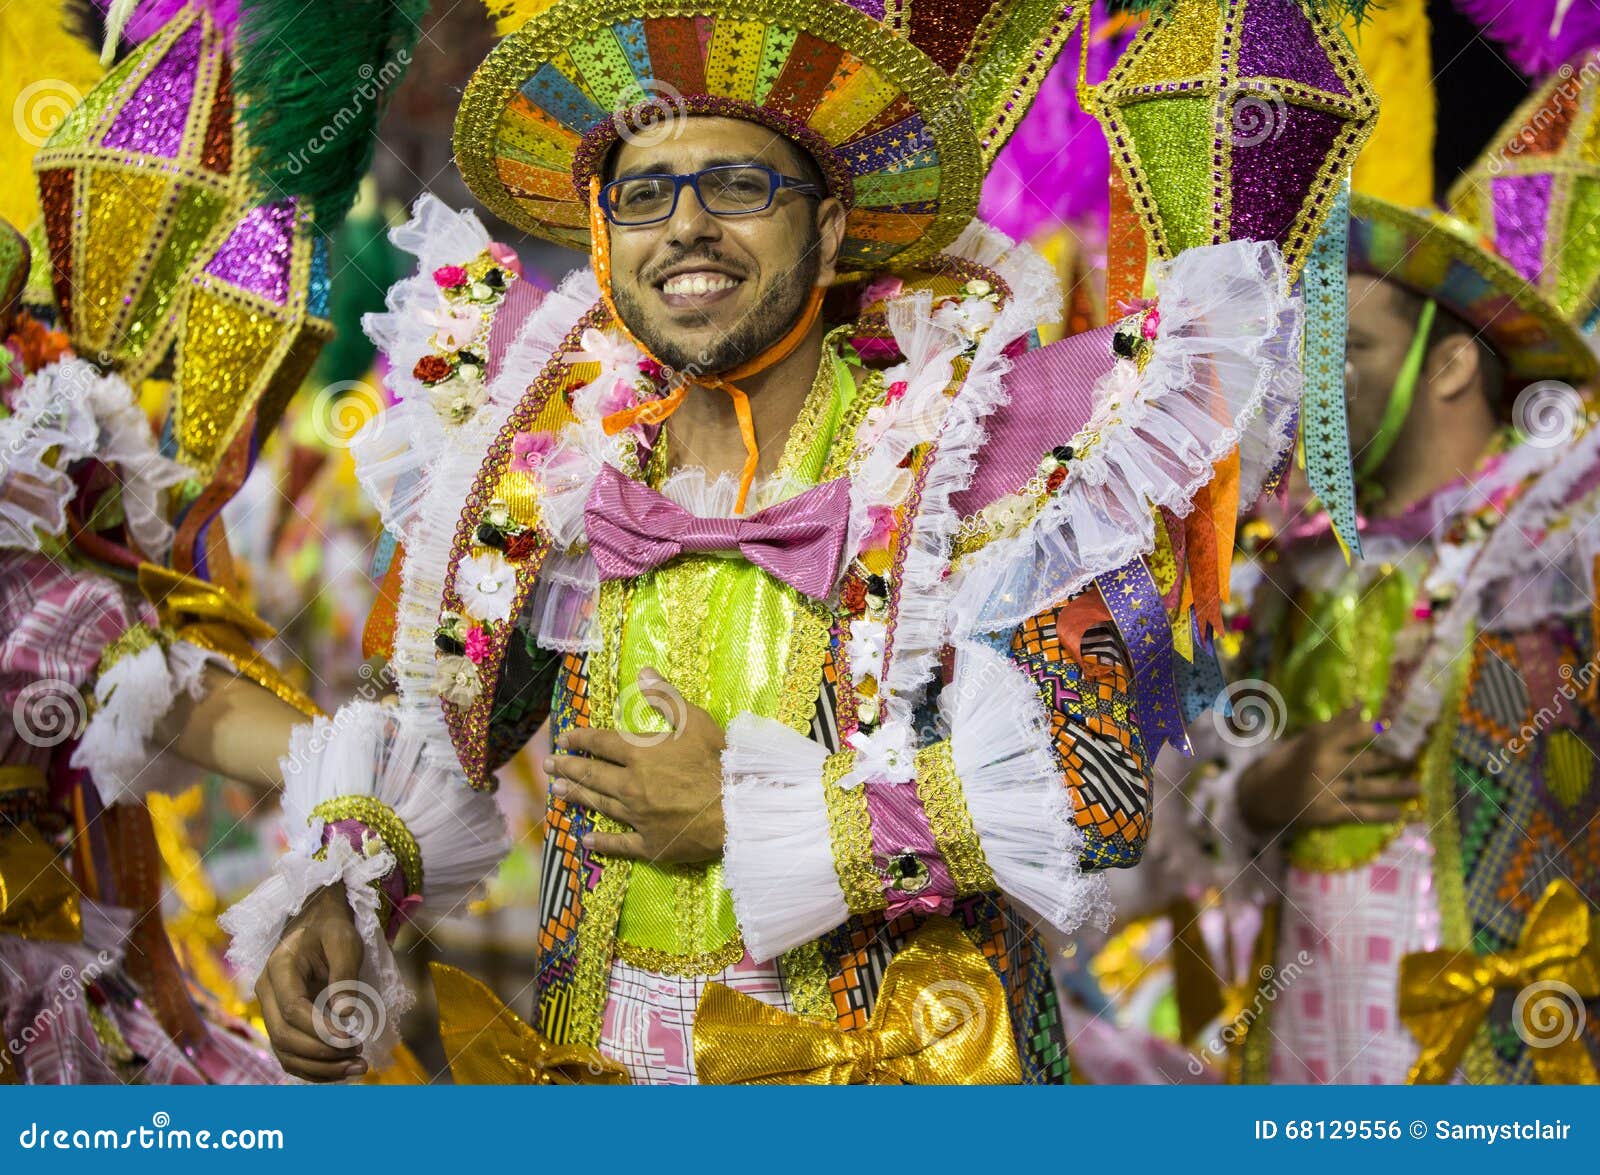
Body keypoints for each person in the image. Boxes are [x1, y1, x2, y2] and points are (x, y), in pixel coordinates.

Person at [194, 0, 1316, 1085]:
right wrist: (344, 891)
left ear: (823, 231)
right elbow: (444, 728)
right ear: (606, 239)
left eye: (737, 185)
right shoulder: (555, 467)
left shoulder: (982, 451)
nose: (686, 225)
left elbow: (1099, 790)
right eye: (644, 194)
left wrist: (752, 815)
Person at [1222, 57, 1600, 1084]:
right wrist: (1261, 792)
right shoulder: (1290, 566)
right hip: (1304, 1062)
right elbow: (1193, 836)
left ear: (1451, 363)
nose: (1312, 384)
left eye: (1348, 349)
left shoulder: (1564, 541)